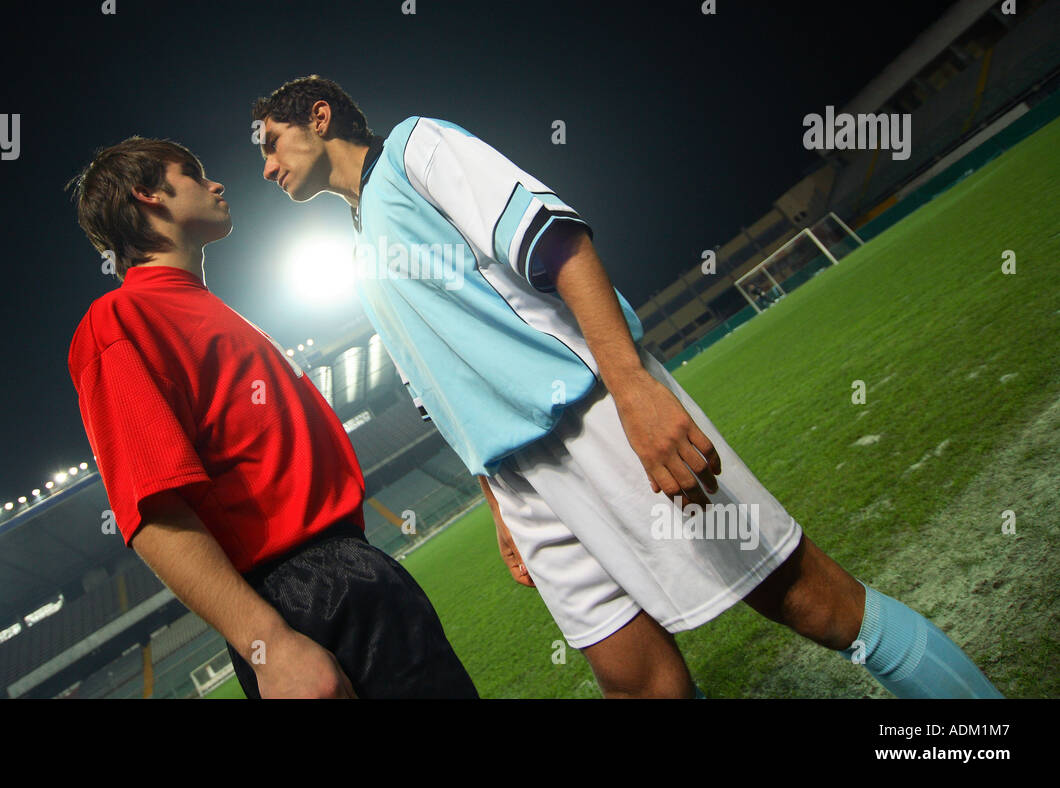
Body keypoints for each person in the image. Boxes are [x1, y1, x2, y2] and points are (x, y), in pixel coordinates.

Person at [251, 74, 1003, 699]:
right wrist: (499, 506)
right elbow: (441, 398)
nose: (265, 166)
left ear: (319, 117)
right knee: (638, 684)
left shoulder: (421, 146)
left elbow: (558, 242)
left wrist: (635, 390)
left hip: (594, 420)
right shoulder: (359, 251)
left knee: (812, 602)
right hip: (521, 483)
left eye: (270, 142)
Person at [64, 135, 477, 699]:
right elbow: (154, 508)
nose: (216, 183)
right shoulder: (119, 320)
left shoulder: (208, 307)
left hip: (352, 571)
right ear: (147, 194)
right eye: (191, 172)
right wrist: (271, 645)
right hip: (303, 594)